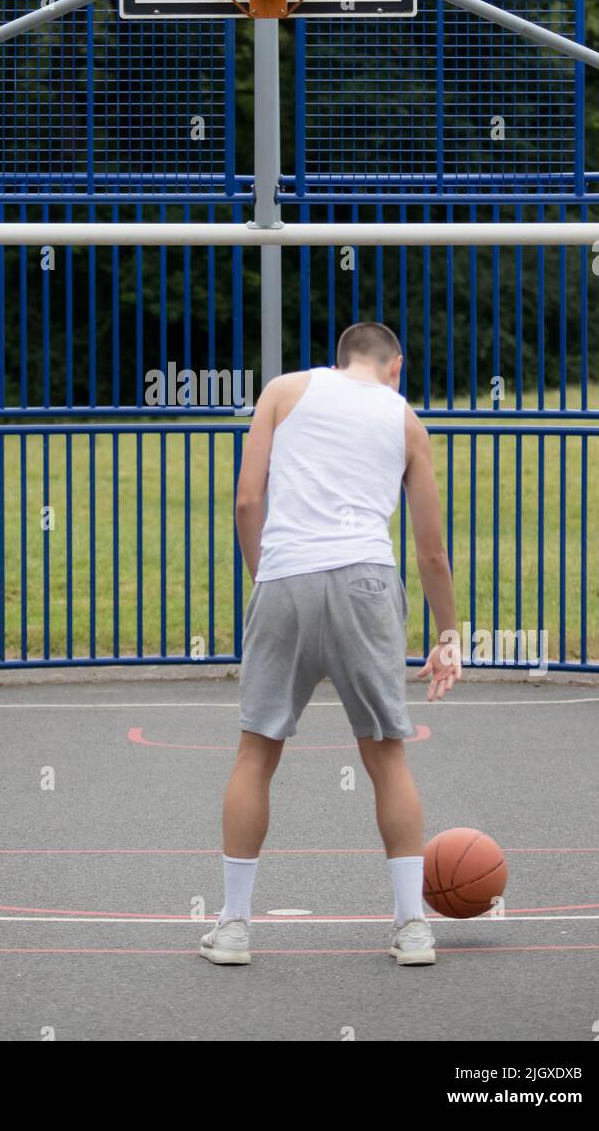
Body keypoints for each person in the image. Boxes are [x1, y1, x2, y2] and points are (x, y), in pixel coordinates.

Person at [200, 322, 461, 968]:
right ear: (394, 365)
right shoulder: (405, 420)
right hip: (367, 581)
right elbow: (431, 550)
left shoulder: (284, 391)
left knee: (256, 753)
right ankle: (412, 930)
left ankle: (233, 928)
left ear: (339, 358)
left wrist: (269, 576)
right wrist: (449, 633)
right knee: (387, 757)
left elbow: (247, 499)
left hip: (288, 575)